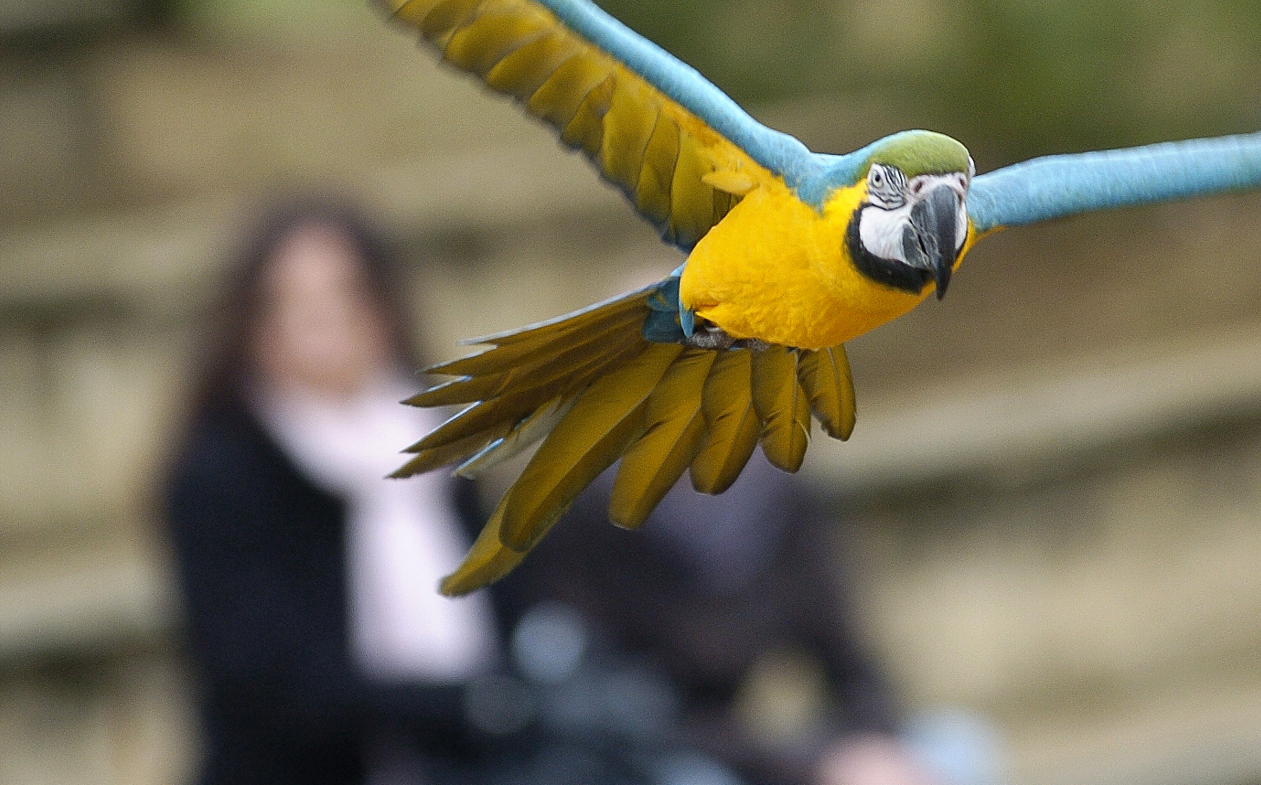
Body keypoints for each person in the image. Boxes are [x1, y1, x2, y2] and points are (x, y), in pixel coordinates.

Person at [162, 199, 542, 785]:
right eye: (293, 300)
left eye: (344, 294)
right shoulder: (220, 473)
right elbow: (267, 679)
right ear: (252, 320)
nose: (323, 320)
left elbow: (506, 599)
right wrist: (464, 706)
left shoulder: (443, 440)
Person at [523, 459, 987, 785]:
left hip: (777, 751)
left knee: (957, 747)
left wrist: (867, 747)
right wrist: (807, 768)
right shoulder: (588, 527)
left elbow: (852, 663)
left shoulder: (778, 503)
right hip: (664, 754)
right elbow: (641, 716)